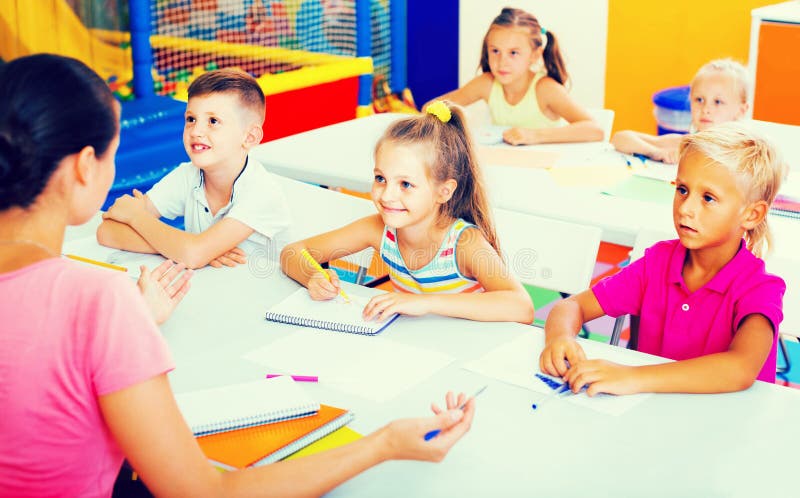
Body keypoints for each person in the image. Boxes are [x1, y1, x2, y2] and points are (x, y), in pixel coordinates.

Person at [0, 54, 475, 498]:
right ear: (86, 166)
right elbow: (202, 492)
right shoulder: (100, 301)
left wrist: (147, 306)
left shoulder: (102, 303)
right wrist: (384, 443)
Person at [540, 122, 787, 395]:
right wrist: (559, 338)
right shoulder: (657, 263)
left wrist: (632, 377)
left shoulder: (760, 289)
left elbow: (740, 368)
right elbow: (571, 306)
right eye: (682, 189)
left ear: (751, 215)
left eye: (708, 198)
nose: (686, 209)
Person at [281, 101, 534, 324]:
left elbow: (521, 306)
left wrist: (426, 303)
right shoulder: (379, 229)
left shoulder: (465, 244)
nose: (387, 195)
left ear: (443, 192)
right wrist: (314, 277)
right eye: (381, 178)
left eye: (405, 184)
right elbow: (292, 252)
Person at [96, 68, 290, 269]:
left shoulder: (261, 191)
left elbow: (192, 255)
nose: (196, 131)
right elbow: (107, 231)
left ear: (249, 137)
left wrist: (137, 217)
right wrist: (188, 247)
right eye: (191, 119)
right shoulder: (186, 175)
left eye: (213, 121)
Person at [422, 7, 602, 145]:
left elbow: (595, 130)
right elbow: (429, 108)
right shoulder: (486, 83)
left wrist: (534, 135)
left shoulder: (546, 89)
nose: (502, 62)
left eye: (513, 53)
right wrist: (459, 119)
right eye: (495, 51)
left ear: (535, 55)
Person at [611, 58, 750, 164]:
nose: (706, 109)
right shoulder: (684, 145)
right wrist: (655, 152)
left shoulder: (744, 155)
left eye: (718, 102)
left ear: (741, 110)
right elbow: (620, 138)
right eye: (699, 100)